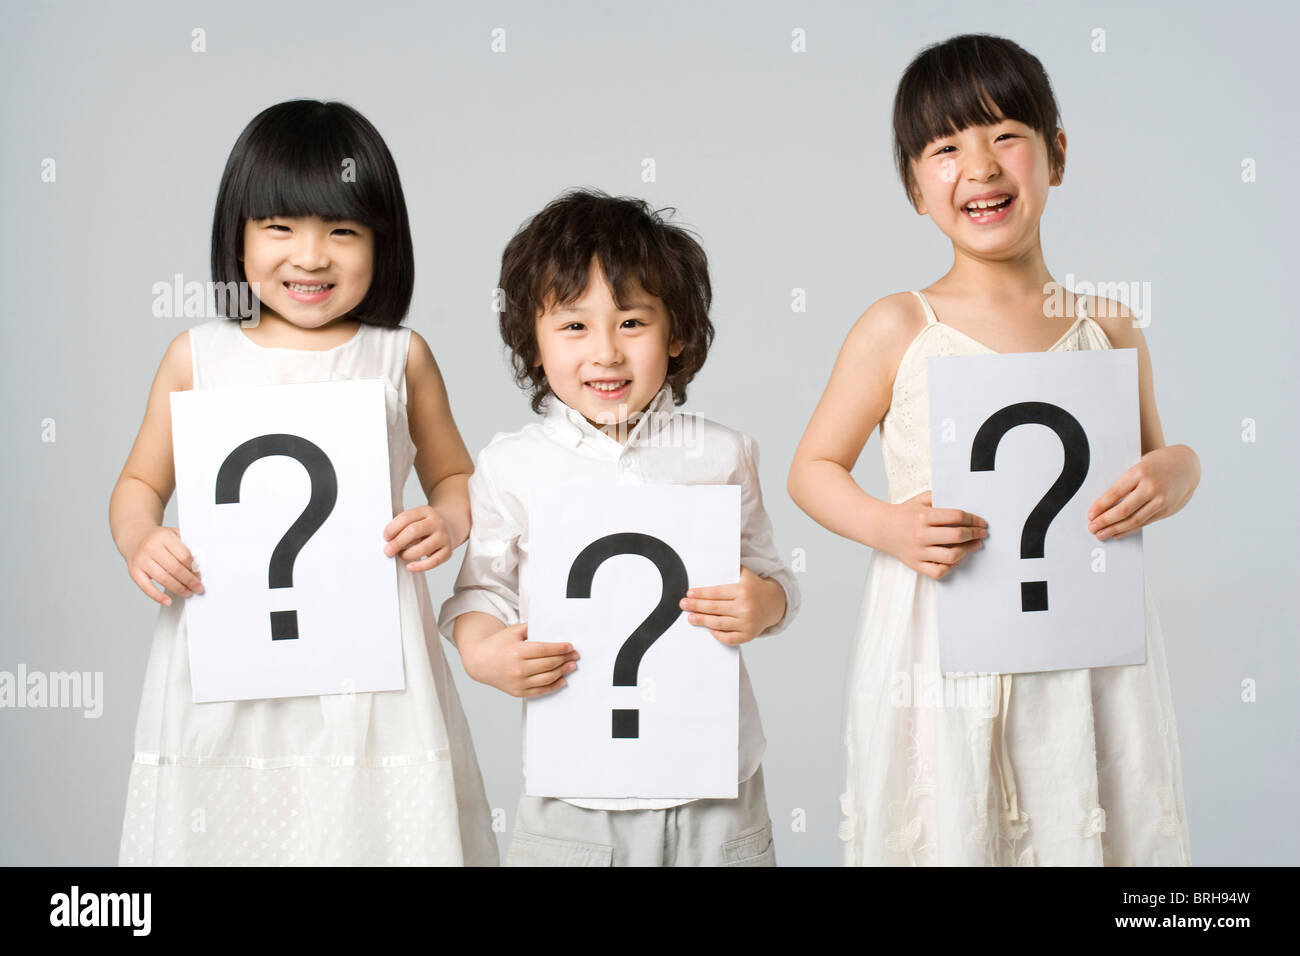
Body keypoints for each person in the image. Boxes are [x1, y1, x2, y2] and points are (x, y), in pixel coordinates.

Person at [787, 35, 1197, 865]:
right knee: (949, 818)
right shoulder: (897, 326)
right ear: (914, 186)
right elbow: (812, 470)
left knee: (1086, 805)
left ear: (1057, 154)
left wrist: (1179, 468)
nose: (979, 166)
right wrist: (887, 527)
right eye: (945, 148)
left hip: (1085, 638)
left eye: (1005, 133)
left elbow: (1157, 459)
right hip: (940, 638)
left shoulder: (1108, 322)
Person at [109, 100, 496, 865]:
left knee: (370, 824)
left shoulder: (399, 356)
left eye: (343, 231)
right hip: (228, 649)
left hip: (370, 659)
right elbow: (137, 484)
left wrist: (446, 521)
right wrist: (140, 540)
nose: (311, 257)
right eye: (281, 228)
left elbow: (455, 474)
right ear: (240, 235)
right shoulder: (197, 356)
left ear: (384, 243)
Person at [438, 188, 799, 866]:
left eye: (632, 323)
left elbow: (773, 574)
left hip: (716, 786)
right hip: (573, 796)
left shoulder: (722, 453)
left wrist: (764, 602)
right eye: (574, 327)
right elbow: (481, 591)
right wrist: (484, 652)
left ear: (679, 334)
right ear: (534, 343)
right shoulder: (513, 465)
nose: (605, 353)